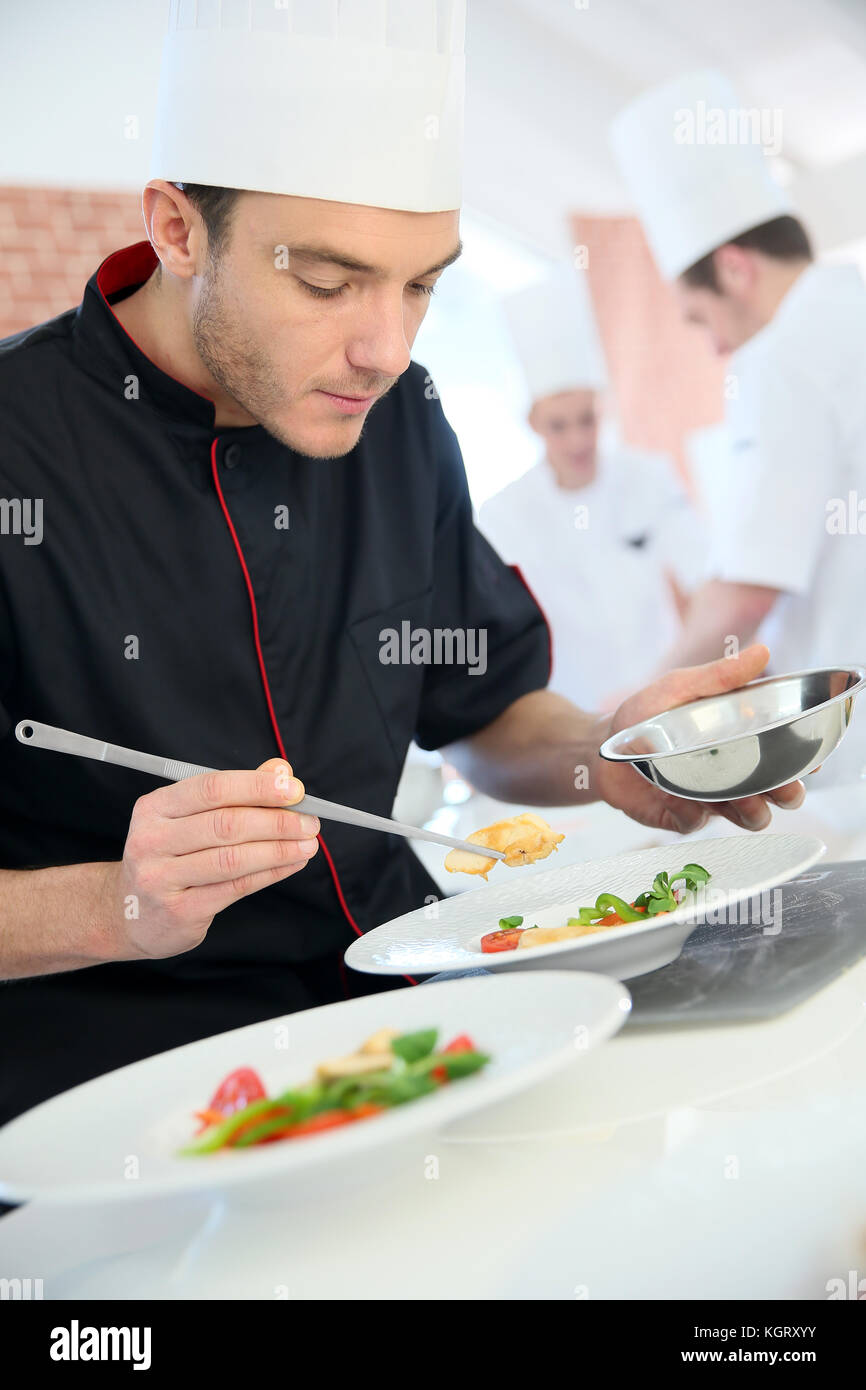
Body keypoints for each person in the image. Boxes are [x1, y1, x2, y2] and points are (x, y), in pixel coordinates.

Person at [0, 10, 803, 1125]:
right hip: (123, 1098)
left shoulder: (402, 417)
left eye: (422, 284)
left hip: (417, 1023)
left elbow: (481, 715)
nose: (385, 347)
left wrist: (607, 753)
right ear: (177, 229)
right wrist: (117, 905)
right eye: (328, 285)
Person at [611, 69, 866, 781]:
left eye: (700, 319)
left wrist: (641, 713)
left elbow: (749, 588)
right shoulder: (850, 311)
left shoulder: (786, 351)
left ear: (734, 267)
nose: (715, 346)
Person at [479, 267, 705, 709]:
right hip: (569, 717)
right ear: (532, 424)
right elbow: (497, 631)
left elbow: (703, 574)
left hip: (665, 700)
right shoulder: (501, 516)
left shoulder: (649, 478)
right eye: (558, 426)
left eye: (587, 420)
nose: (578, 440)